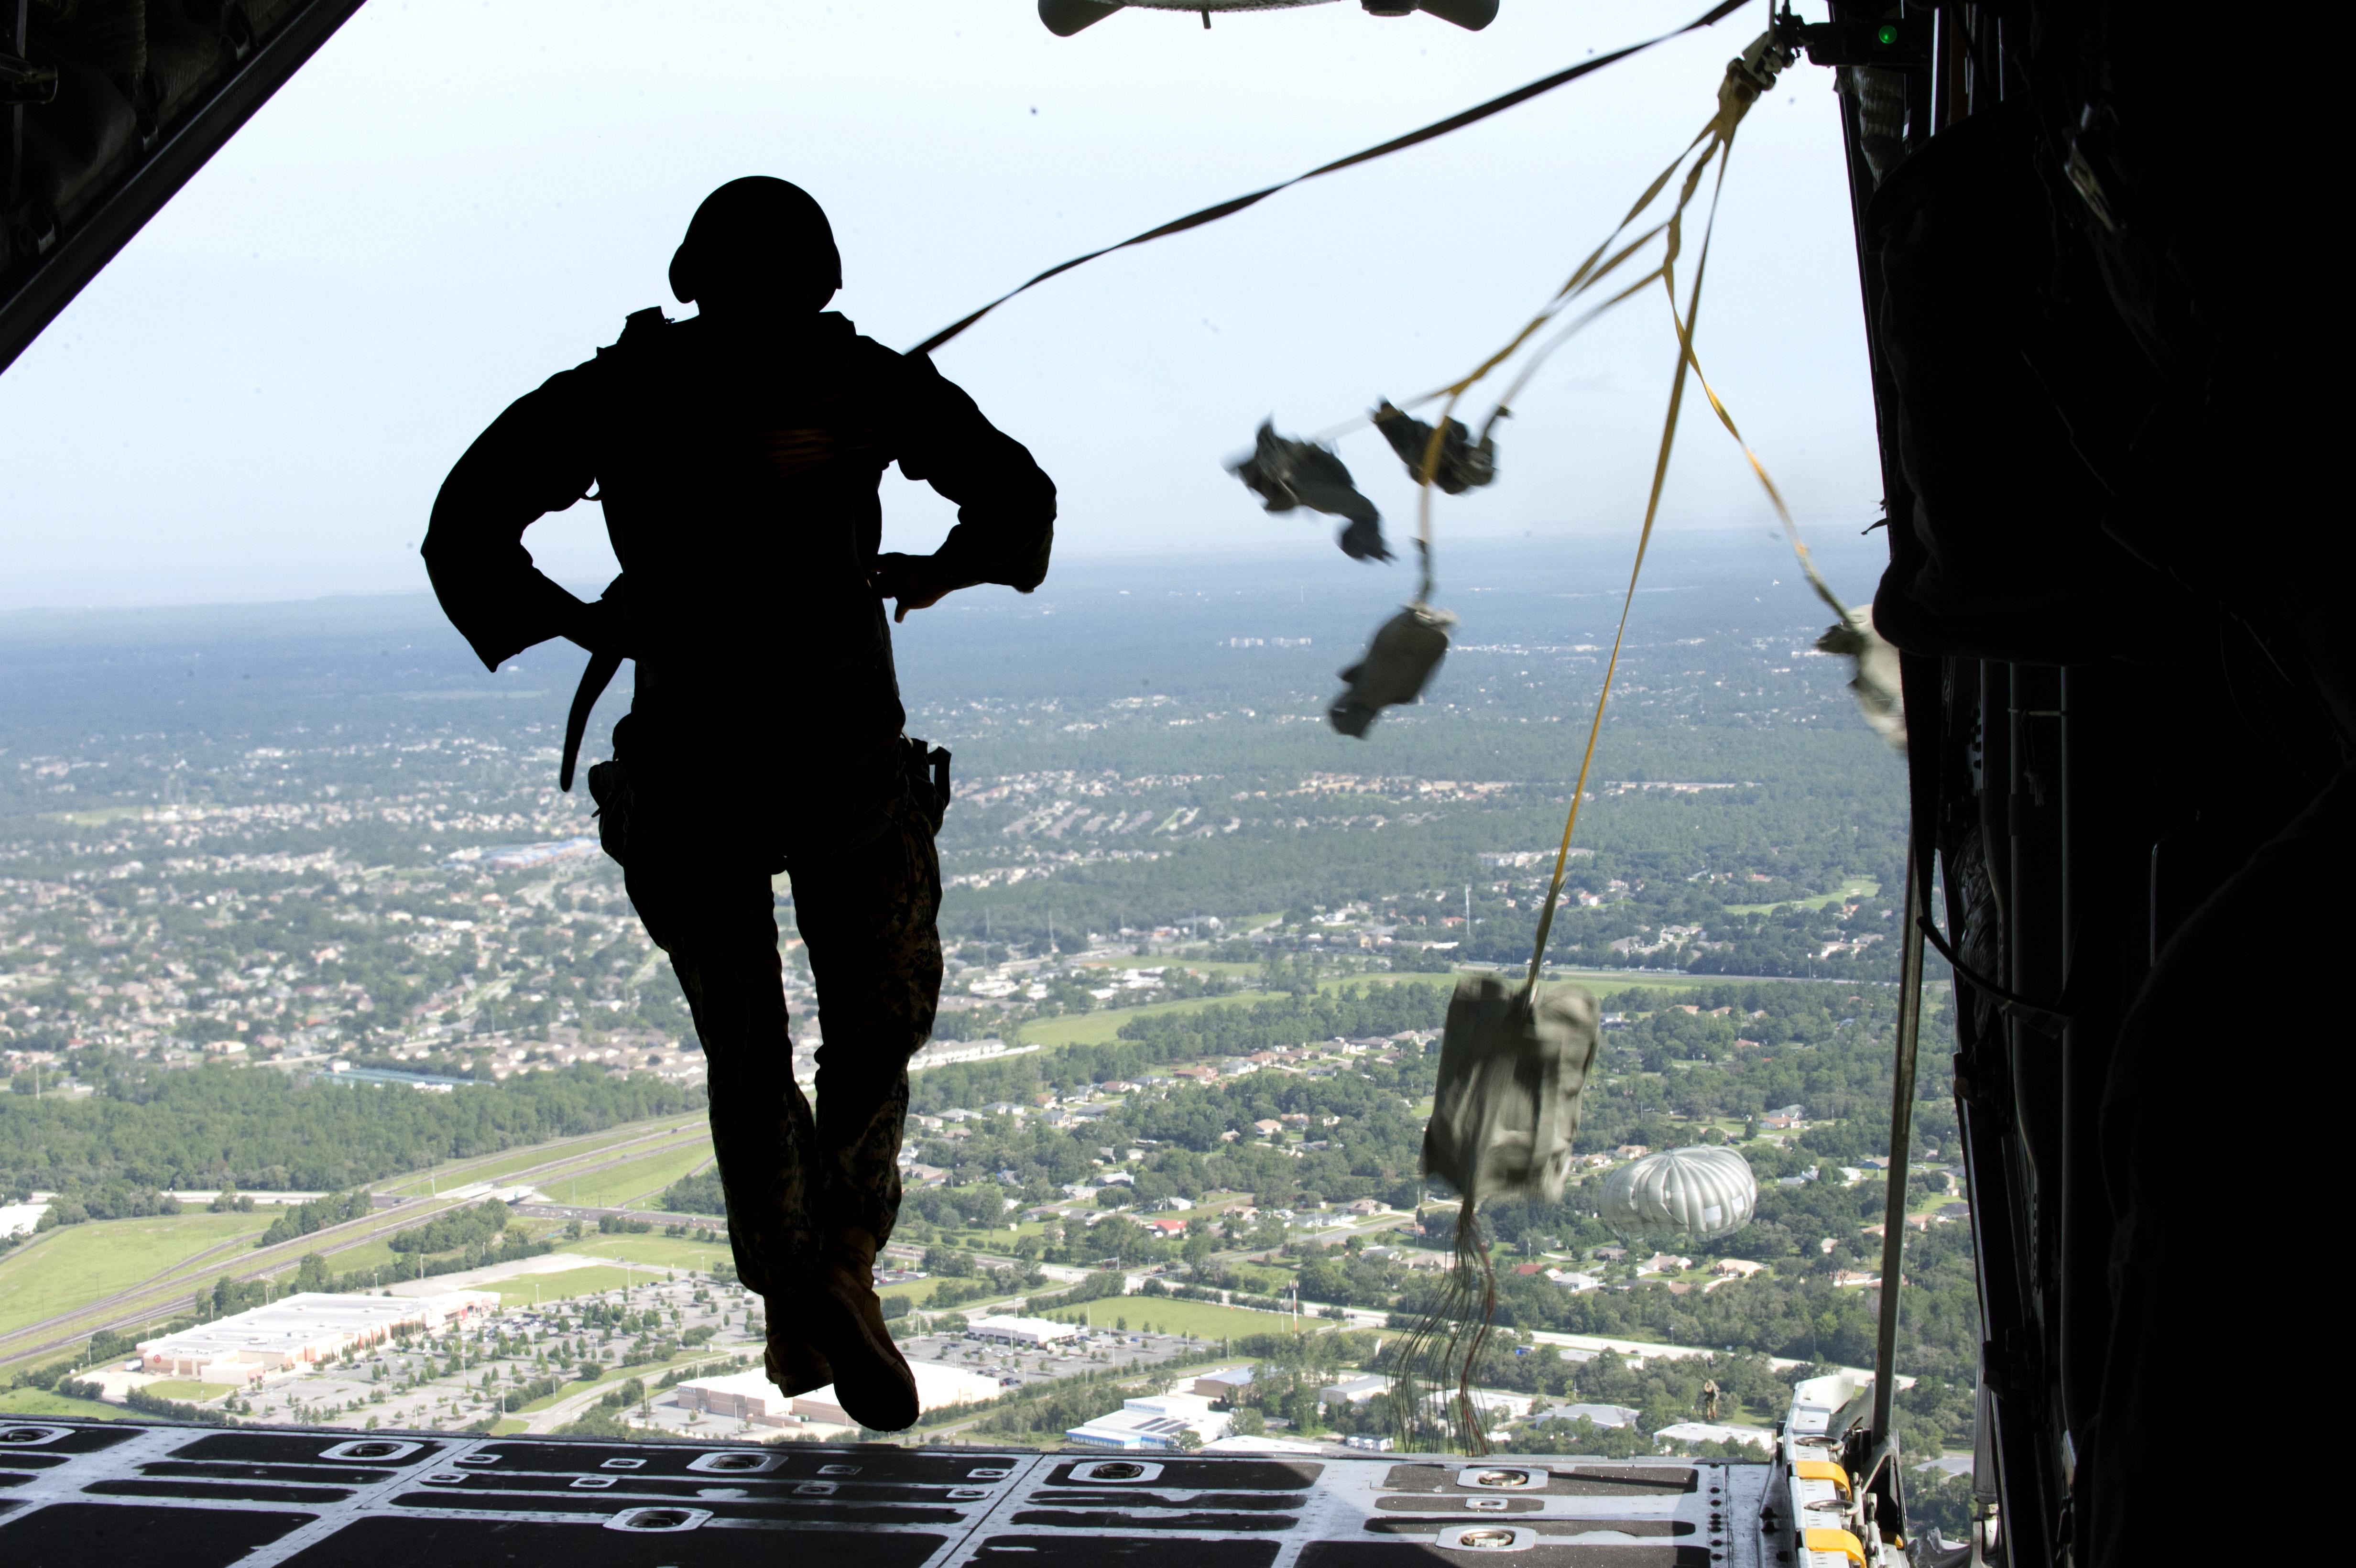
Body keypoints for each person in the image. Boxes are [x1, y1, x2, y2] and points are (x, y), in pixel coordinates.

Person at [421, 176, 1057, 1430]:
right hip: (838, 757)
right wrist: (939, 570)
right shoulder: (866, 383)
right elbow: (1017, 510)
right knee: (871, 1029)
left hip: (699, 764)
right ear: (821, 277)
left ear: (692, 274)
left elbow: (466, 532)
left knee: (753, 1052)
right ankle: (836, 1271)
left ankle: (802, 1286)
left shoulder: (618, 396)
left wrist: (580, 617)